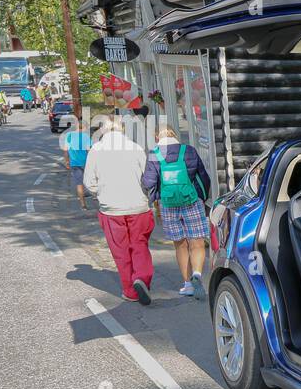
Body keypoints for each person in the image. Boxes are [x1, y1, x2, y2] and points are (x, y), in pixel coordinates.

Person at [83, 116, 155, 304]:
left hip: (111, 208)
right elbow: (147, 177)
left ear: (102, 131)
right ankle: (142, 278)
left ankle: (130, 290)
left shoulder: (95, 151)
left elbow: (89, 183)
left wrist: (100, 193)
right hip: (138, 205)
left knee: (120, 250)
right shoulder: (136, 148)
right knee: (140, 245)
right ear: (122, 130)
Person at [143, 126, 212, 299]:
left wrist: (156, 198)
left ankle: (187, 284)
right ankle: (197, 274)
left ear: (157, 137)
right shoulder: (188, 150)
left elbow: (149, 182)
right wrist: (202, 198)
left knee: (180, 244)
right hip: (191, 201)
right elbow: (203, 177)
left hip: (168, 204)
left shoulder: (154, 154)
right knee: (197, 241)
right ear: (175, 135)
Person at [63, 121, 92, 211]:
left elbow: (65, 151)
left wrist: (67, 162)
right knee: (90, 180)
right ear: (83, 128)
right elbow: (89, 151)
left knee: (79, 184)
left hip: (75, 163)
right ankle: (93, 195)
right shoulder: (86, 137)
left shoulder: (69, 136)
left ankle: (83, 205)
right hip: (85, 163)